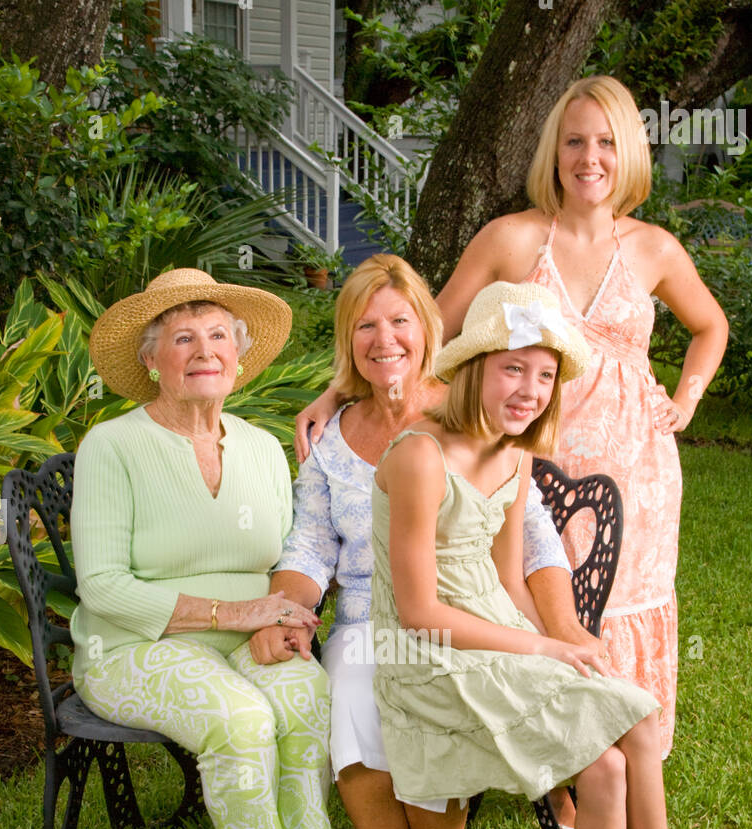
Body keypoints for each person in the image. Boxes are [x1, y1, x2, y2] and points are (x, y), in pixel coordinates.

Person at [296, 75, 729, 763]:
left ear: (630, 154)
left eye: (607, 142)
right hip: (527, 456)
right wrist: (340, 389)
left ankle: (612, 752)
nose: (590, 157)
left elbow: (710, 326)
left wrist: (686, 399)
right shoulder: (513, 236)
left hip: (636, 466)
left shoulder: (655, 248)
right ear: (553, 153)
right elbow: (427, 333)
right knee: (531, 587)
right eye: (574, 141)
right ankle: (553, 755)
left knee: (618, 603)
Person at [370, 280, 752, 829]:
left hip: (490, 630)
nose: (529, 390)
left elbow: (511, 580)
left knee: (632, 716)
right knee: (605, 759)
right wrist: (538, 648)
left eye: (544, 376)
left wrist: (561, 647)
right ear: (477, 366)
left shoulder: (514, 459)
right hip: (426, 657)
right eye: (513, 369)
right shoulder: (420, 455)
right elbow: (417, 611)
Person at [254, 253, 598, 829]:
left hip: (460, 614)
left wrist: (560, 628)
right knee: (351, 689)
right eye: (365, 326)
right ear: (348, 340)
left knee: (425, 692)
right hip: (365, 621)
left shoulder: (464, 411)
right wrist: (286, 610)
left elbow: (531, 531)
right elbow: (309, 544)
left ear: (430, 330)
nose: (385, 340)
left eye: (401, 322)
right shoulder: (331, 440)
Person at [73, 268, 361, 829]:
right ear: (151, 360)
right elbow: (103, 586)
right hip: (131, 645)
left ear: (236, 355)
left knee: (304, 697)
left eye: (216, 337)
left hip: (248, 636)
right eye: (182, 338)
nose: (204, 351)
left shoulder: (261, 447)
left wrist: (281, 619)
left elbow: (296, 553)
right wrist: (237, 610)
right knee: (240, 719)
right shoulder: (112, 447)